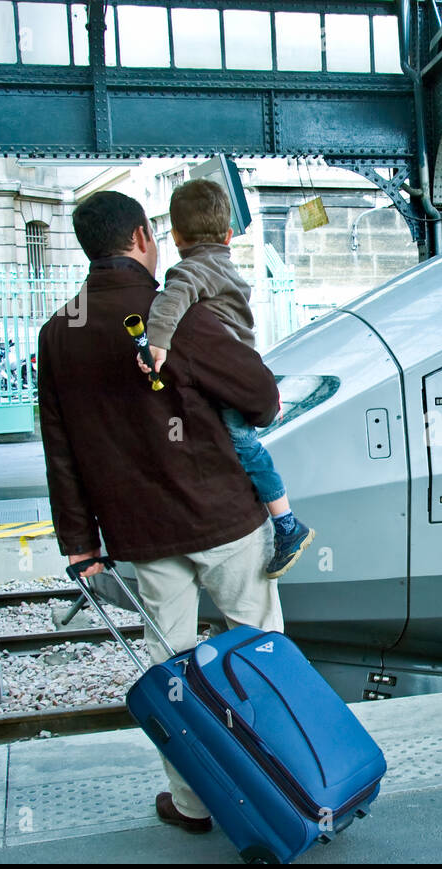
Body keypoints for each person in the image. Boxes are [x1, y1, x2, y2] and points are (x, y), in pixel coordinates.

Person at [37, 190, 284, 834]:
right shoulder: (181, 313)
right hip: (224, 517)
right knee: (261, 650)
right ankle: (290, 781)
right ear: (144, 236)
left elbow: (59, 448)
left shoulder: (59, 330)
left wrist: (80, 544)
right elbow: (260, 395)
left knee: (169, 665)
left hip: (142, 534)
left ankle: (194, 802)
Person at [140, 178, 314, 579]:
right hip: (241, 369)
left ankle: (287, 524)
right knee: (242, 444)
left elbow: (174, 297)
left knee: (244, 446)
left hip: (227, 374)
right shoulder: (224, 266)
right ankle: (282, 520)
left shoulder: (191, 270)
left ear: (175, 235)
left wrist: (158, 341)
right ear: (230, 235)